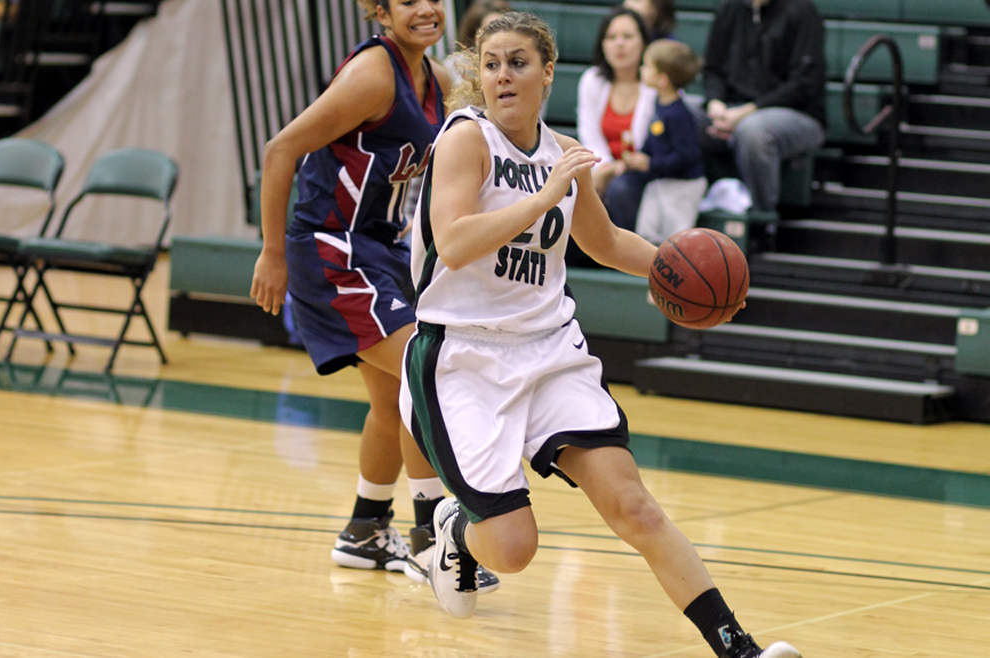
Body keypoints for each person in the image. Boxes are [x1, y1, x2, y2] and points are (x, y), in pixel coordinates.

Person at [400, 11, 801, 658]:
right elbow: (451, 243)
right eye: (492, 64)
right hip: (461, 354)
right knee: (513, 548)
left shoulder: (563, 154)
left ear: (548, 72)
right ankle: (457, 528)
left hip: (549, 347)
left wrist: (682, 271)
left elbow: (604, 240)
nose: (503, 76)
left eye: (518, 63)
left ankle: (738, 647)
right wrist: (539, 198)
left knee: (634, 507)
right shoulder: (464, 140)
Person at [249, 0, 498, 592]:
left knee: (393, 400)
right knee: (423, 372)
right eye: (408, 0)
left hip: (379, 247)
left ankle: (364, 530)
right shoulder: (373, 73)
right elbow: (280, 149)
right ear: (380, 12)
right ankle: (432, 539)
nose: (427, 8)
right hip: (329, 246)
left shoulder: (435, 78)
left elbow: (481, 130)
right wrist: (272, 253)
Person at [699, 0, 826, 212]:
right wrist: (715, 103)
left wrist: (746, 112)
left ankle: (760, 218)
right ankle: (691, 209)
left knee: (753, 130)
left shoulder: (802, 11)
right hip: (730, 109)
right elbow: (712, 69)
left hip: (795, 114)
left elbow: (804, 85)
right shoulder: (729, 9)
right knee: (679, 112)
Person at [604, 39, 707, 243]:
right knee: (649, 232)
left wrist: (651, 163)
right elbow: (654, 138)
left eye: (647, 66)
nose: (642, 69)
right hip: (662, 180)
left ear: (662, 79)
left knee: (675, 238)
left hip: (683, 185)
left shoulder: (678, 114)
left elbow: (687, 156)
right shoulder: (659, 104)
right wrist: (641, 155)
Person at [576, 6, 656, 199]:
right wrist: (607, 168)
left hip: (645, 173)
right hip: (602, 167)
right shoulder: (592, 80)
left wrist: (622, 168)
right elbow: (589, 135)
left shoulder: (656, 84)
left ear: (644, 42)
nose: (619, 44)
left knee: (620, 191)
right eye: (611, 38)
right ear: (602, 44)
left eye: (627, 37)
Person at [445, 0, 513, 88]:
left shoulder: (518, 64)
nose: (498, 37)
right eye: (490, 32)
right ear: (475, 37)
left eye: (504, 30)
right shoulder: (455, 66)